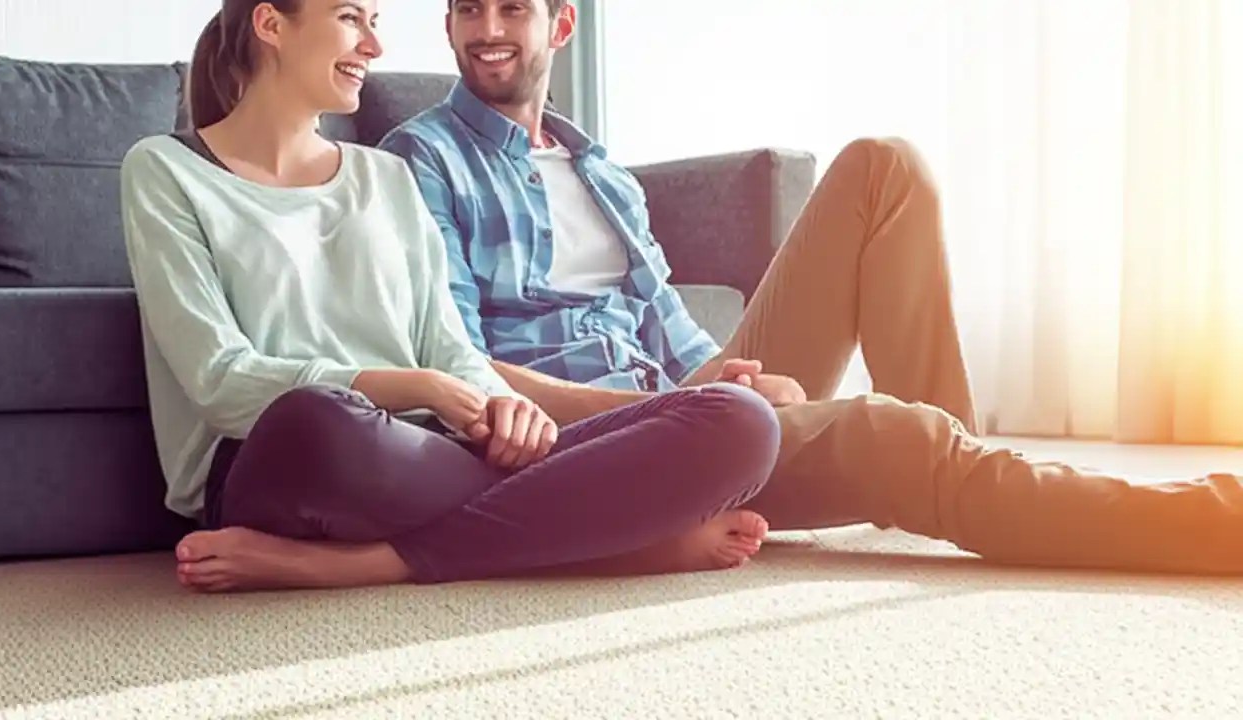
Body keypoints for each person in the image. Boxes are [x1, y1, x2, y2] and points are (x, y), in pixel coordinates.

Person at [380, 0, 1243, 575]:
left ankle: (966, 468)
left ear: (560, 23)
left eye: (511, 7)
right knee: (886, 435)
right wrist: (676, 412)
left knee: (884, 166)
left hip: (685, 399)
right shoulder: (425, 159)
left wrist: (728, 381)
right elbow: (467, 368)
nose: (486, 28)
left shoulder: (597, 169)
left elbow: (678, 335)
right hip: (608, 436)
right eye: (466, 8)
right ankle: (1210, 523)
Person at [120, 0, 785, 594]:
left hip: (428, 453)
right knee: (317, 420)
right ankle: (619, 534)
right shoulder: (166, 169)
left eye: (376, 25)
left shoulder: (385, 177)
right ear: (271, 24)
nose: (374, 49)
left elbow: (447, 341)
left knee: (739, 419)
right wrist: (420, 387)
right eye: (353, 18)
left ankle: (371, 563)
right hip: (290, 454)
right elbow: (219, 380)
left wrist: (496, 404)